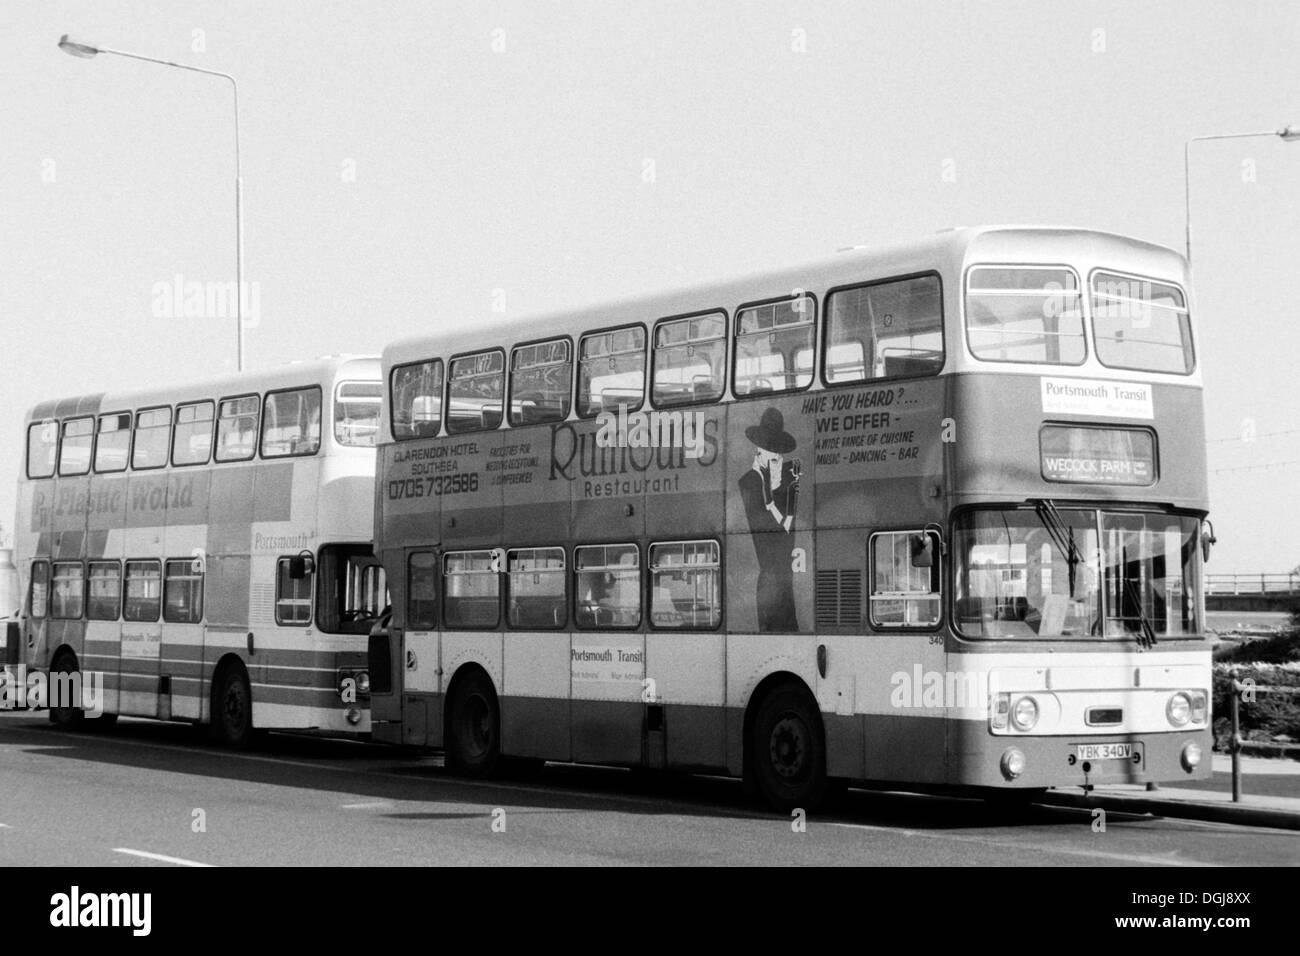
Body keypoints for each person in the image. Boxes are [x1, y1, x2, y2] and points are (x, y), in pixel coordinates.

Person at [737, 407, 800, 632]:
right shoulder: (749, 484)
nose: (776, 458)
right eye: (769, 452)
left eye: (778, 453)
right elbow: (766, 527)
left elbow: (787, 525)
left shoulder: (787, 481)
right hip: (771, 588)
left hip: (785, 585)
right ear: (759, 452)